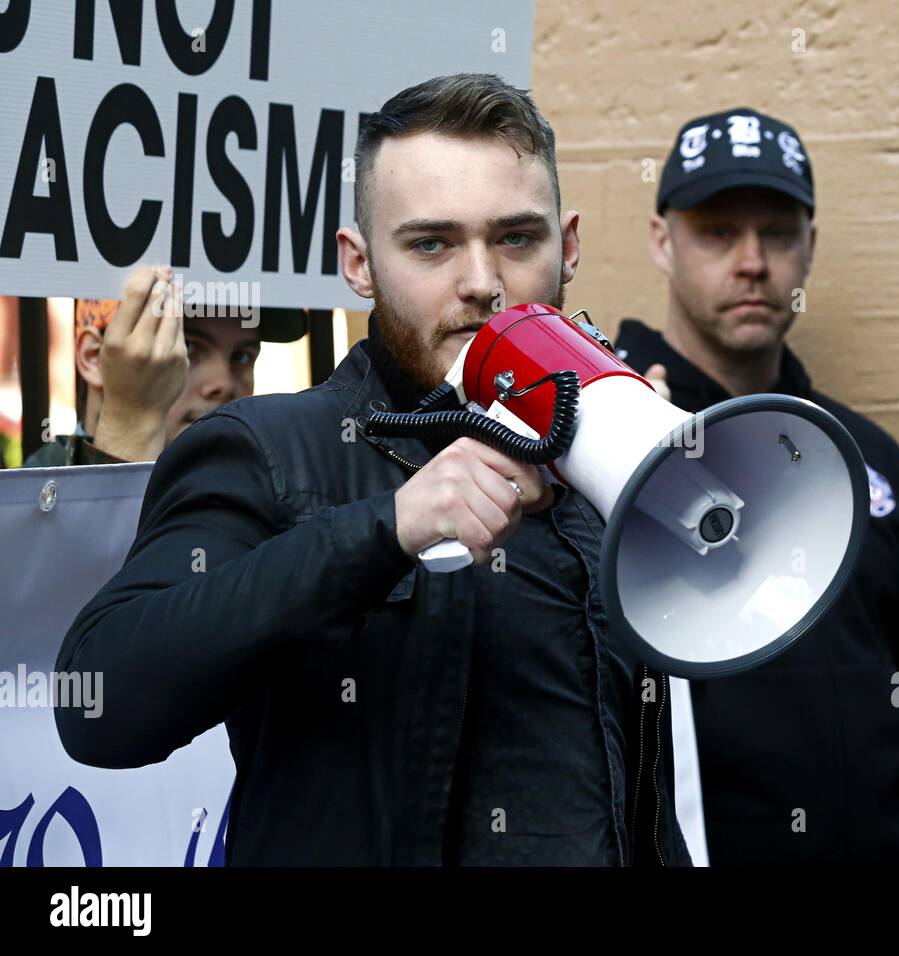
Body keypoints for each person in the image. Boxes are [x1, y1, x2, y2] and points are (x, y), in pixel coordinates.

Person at [54, 73, 691, 866]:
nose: (482, 283)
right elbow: (100, 704)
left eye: (516, 239)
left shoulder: (597, 461)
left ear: (568, 246)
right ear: (358, 264)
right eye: (431, 243)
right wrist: (386, 530)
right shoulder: (268, 447)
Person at [614, 108, 899, 864]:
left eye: (777, 233)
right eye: (717, 232)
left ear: (811, 246)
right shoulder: (603, 448)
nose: (752, 262)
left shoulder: (867, 464)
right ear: (661, 242)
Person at [22, 278, 307, 467]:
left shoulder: (264, 503)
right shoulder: (25, 505)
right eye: (184, 347)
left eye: (242, 356)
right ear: (94, 358)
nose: (223, 382)